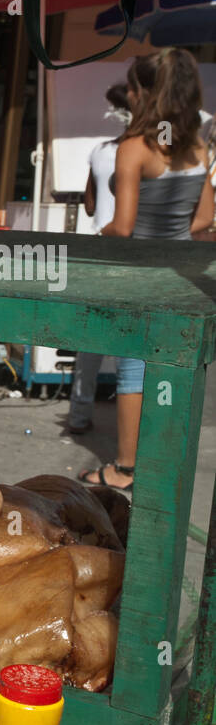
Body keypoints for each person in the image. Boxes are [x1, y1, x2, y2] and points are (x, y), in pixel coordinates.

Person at [77, 48, 214, 493]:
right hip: (180, 274)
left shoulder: (135, 148)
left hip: (139, 276)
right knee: (167, 369)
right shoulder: (197, 146)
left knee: (133, 370)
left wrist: (101, 239)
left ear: (144, 94)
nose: (129, 98)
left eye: (133, 90)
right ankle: (160, 461)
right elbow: (202, 220)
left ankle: (126, 468)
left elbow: (124, 226)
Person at [67, 82, 131, 434]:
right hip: (129, 259)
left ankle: (79, 416)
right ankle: (131, 425)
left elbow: (90, 203)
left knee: (88, 344)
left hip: (95, 252)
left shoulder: (100, 151)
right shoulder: (150, 152)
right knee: (129, 350)